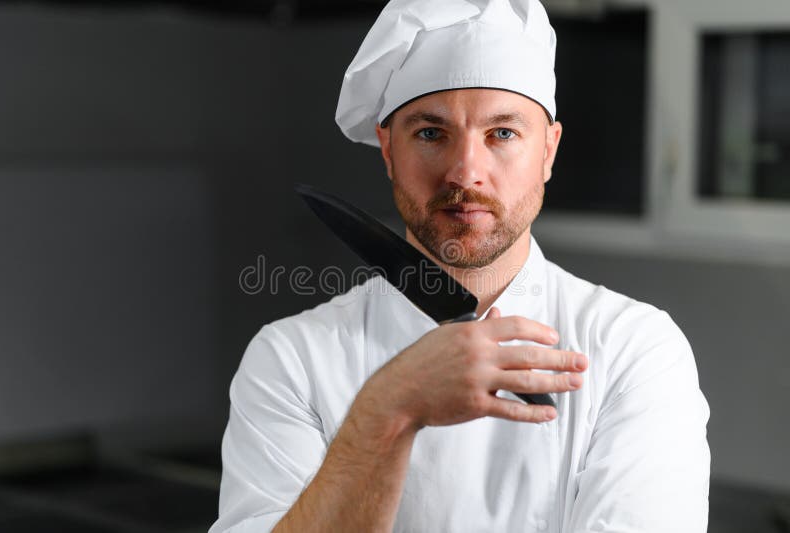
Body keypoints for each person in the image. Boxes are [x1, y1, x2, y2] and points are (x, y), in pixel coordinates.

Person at [210, 0, 711, 531]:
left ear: (548, 151)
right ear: (387, 150)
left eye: (502, 133)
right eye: (431, 133)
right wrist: (387, 409)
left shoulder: (634, 350)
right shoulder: (292, 360)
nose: (465, 172)